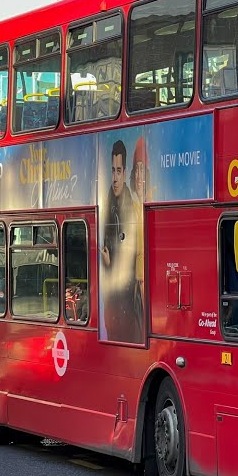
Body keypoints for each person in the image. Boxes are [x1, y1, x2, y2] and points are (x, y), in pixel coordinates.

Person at [101, 138, 138, 342]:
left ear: (124, 173)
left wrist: (109, 263)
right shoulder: (107, 203)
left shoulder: (129, 209)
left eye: (118, 171)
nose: (114, 178)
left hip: (125, 304)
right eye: (112, 171)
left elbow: (129, 261)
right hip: (111, 304)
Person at [129, 137, 151, 328]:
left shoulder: (153, 200)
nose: (138, 176)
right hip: (134, 282)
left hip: (145, 281)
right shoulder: (130, 204)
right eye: (136, 170)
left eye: (142, 170)